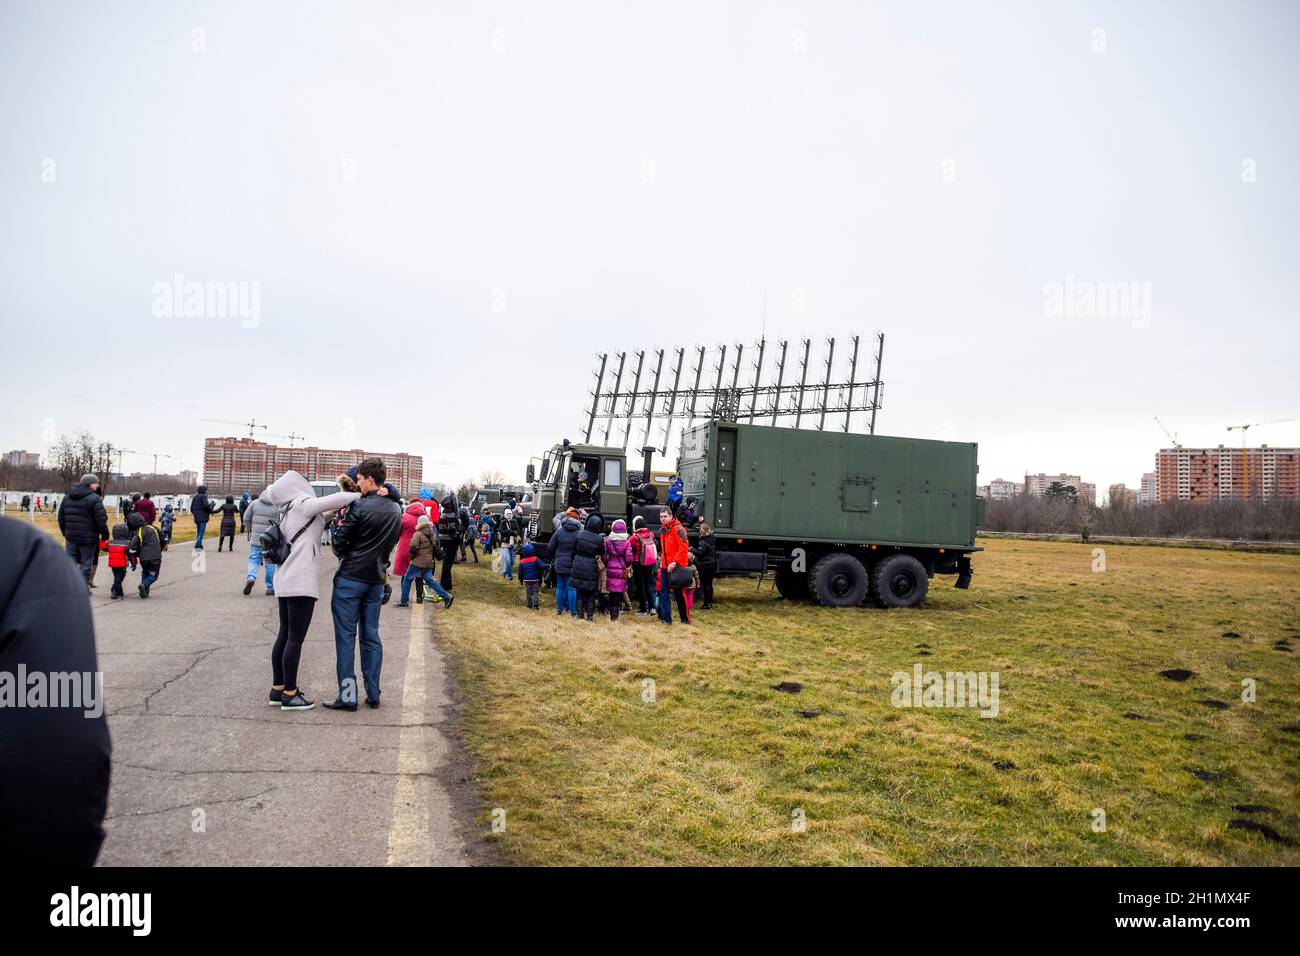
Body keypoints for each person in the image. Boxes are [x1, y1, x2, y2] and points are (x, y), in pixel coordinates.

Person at [0, 519, 112, 865]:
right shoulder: (22, 556)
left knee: (75, 556)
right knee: (81, 560)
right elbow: (60, 748)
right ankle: (85, 576)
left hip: (72, 540)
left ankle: (84, 573)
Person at [262, 469, 359, 711]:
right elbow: (323, 504)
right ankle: (290, 694)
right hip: (299, 581)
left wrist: (333, 512)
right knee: (295, 638)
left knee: (284, 636)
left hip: (286, 579)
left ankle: (278, 689)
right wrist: (356, 497)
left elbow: (318, 517)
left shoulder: (287, 510)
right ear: (297, 485)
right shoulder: (301, 503)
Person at [326, 457, 403, 712]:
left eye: (359, 479)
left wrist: (342, 527)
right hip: (375, 580)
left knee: (346, 638)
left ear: (370, 480)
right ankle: (373, 692)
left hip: (350, 578)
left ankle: (348, 695)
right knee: (371, 636)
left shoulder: (359, 507)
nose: (357, 484)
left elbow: (338, 544)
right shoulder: (395, 509)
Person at [57, 474, 109, 590]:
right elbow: (101, 520)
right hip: (88, 538)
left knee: (70, 562)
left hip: (71, 537)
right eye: (96, 483)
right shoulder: (95, 498)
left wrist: (65, 532)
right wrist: (105, 535)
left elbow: (61, 517)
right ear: (90, 484)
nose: (97, 485)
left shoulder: (68, 497)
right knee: (86, 563)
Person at [396, 514, 454, 609]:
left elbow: (413, 548)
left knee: (407, 579)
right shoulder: (432, 533)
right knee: (430, 581)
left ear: (419, 523)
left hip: (418, 562)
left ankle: (404, 601)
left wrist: (411, 558)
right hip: (428, 561)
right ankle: (446, 596)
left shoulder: (417, 534)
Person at [657, 506, 691, 624]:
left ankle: (685, 619)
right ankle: (666, 619)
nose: (663, 519)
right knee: (664, 592)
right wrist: (662, 561)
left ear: (671, 516)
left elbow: (684, 547)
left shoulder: (678, 529)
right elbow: (664, 549)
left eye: (665, 516)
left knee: (679, 594)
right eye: (661, 517)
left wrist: (675, 562)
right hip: (665, 567)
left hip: (677, 567)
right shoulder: (663, 530)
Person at [242, 492, 279, 596]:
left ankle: (251, 578)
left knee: (254, 559)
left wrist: (250, 530)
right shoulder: (277, 506)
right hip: (270, 540)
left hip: (256, 538)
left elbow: (246, 518)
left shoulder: (254, 503)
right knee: (270, 562)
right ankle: (270, 587)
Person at [548, 507, 582, 617]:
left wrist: (555, 556)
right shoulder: (579, 532)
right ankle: (572, 611)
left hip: (559, 563)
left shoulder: (559, 530)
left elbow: (550, 546)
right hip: (573, 564)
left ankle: (560, 609)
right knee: (571, 587)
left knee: (560, 586)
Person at [571, 513, 604, 621]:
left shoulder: (579, 534)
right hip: (591, 566)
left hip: (578, 563)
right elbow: (601, 552)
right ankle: (589, 617)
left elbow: (573, 549)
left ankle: (579, 616)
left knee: (579, 592)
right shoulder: (599, 539)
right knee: (590, 593)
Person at [392, 502, 425, 599]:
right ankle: (419, 597)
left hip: (405, 547)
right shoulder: (424, 518)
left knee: (405, 572)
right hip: (420, 547)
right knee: (419, 573)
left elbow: (397, 532)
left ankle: (404, 596)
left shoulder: (404, 517)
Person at [126, 511, 163, 598]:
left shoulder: (137, 533)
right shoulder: (153, 528)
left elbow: (132, 548)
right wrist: (159, 549)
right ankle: (144, 585)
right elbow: (163, 539)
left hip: (143, 558)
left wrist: (134, 558)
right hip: (155, 556)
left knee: (145, 572)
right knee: (153, 575)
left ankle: (145, 591)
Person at [603, 519, 633, 621]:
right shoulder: (627, 542)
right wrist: (626, 565)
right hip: (621, 570)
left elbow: (604, 556)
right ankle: (615, 617)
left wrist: (608, 564)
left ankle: (612, 615)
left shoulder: (608, 540)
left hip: (611, 568)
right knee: (618, 593)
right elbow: (629, 558)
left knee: (611, 593)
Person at [629, 515, 658, 615]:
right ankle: (652, 608)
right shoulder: (650, 535)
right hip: (650, 564)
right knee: (649, 586)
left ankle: (643, 609)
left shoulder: (634, 538)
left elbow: (628, 547)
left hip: (639, 564)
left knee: (640, 587)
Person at [100, 522, 131, 599]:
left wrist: (101, 540)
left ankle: (120, 591)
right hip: (122, 564)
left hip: (113, 564)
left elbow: (103, 548)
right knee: (120, 577)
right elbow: (130, 553)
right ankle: (114, 590)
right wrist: (133, 562)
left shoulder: (110, 543)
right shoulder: (127, 543)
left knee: (117, 576)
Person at [517, 542, 548, 609]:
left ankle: (529, 604)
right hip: (535, 579)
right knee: (535, 591)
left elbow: (520, 573)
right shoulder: (535, 559)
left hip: (526, 580)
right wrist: (549, 565)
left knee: (528, 592)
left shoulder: (522, 561)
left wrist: (520, 580)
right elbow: (542, 566)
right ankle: (536, 605)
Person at [696, 520, 717, 609]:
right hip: (711, 563)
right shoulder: (711, 538)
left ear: (702, 531)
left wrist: (692, 549)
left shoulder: (703, 542)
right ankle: (709, 602)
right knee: (709, 584)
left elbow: (700, 552)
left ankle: (707, 604)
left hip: (705, 564)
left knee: (705, 585)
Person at [190, 484, 215, 549]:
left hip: (196, 517)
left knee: (199, 531)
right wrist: (211, 506)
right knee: (201, 531)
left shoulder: (195, 497)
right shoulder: (204, 496)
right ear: (204, 491)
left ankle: (199, 544)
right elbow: (206, 506)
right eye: (206, 490)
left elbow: (191, 508)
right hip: (203, 517)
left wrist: (195, 513)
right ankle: (197, 544)